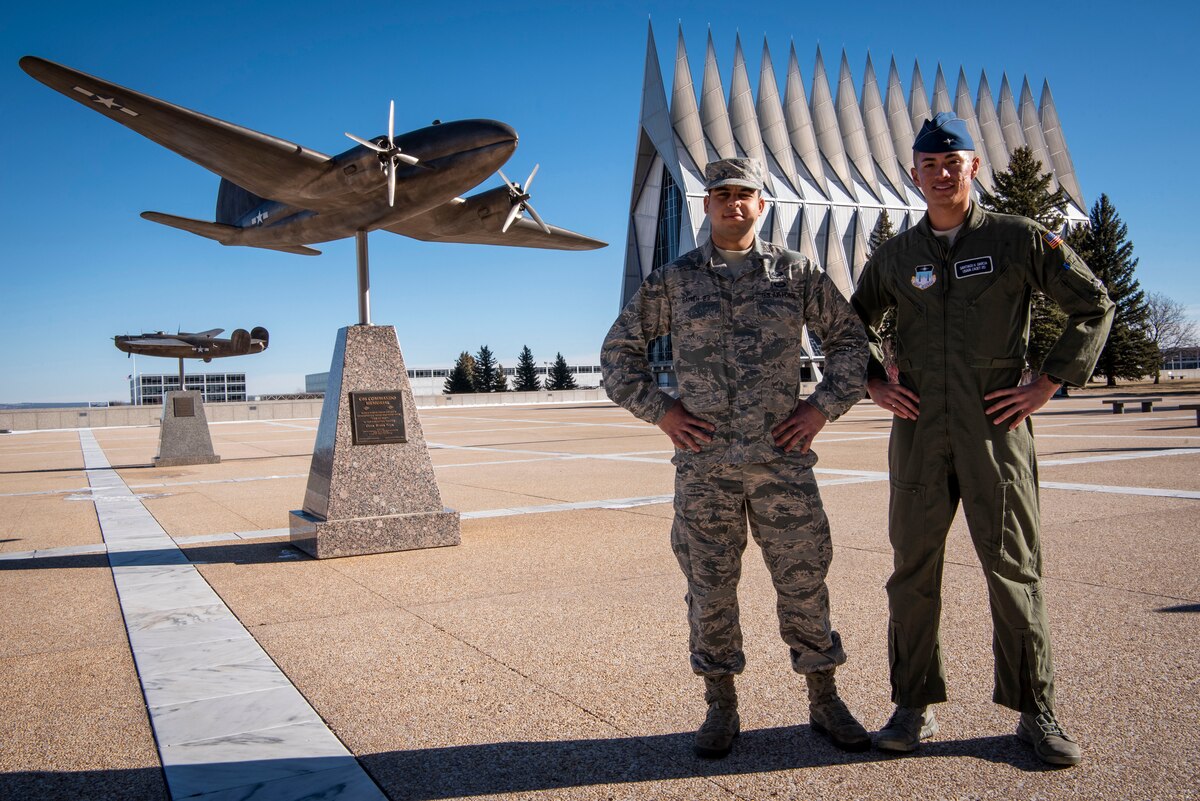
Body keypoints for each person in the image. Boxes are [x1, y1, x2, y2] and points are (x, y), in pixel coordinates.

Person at [851, 112, 1114, 766]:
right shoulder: (896, 257)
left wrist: (1047, 382)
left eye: (953, 162)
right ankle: (912, 704)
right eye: (929, 165)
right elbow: (850, 325)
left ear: (973, 166)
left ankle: (1035, 709)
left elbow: (1094, 304)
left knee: (1014, 570)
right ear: (914, 175)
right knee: (912, 572)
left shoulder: (1018, 239)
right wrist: (873, 381)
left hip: (996, 429)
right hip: (918, 431)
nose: (942, 174)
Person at [602, 158, 870, 758]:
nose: (733, 203)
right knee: (710, 590)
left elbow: (851, 342)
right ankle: (720, 705)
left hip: (782, 464)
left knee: (804, 582)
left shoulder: (796, 273)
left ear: (761, 204)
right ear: (706, 206)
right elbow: (618, 354)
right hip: (706, 471)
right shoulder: (675, 281)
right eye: (721, 194)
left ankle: (824, 698)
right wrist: (663, 412)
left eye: (744, 194)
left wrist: (820, 409)